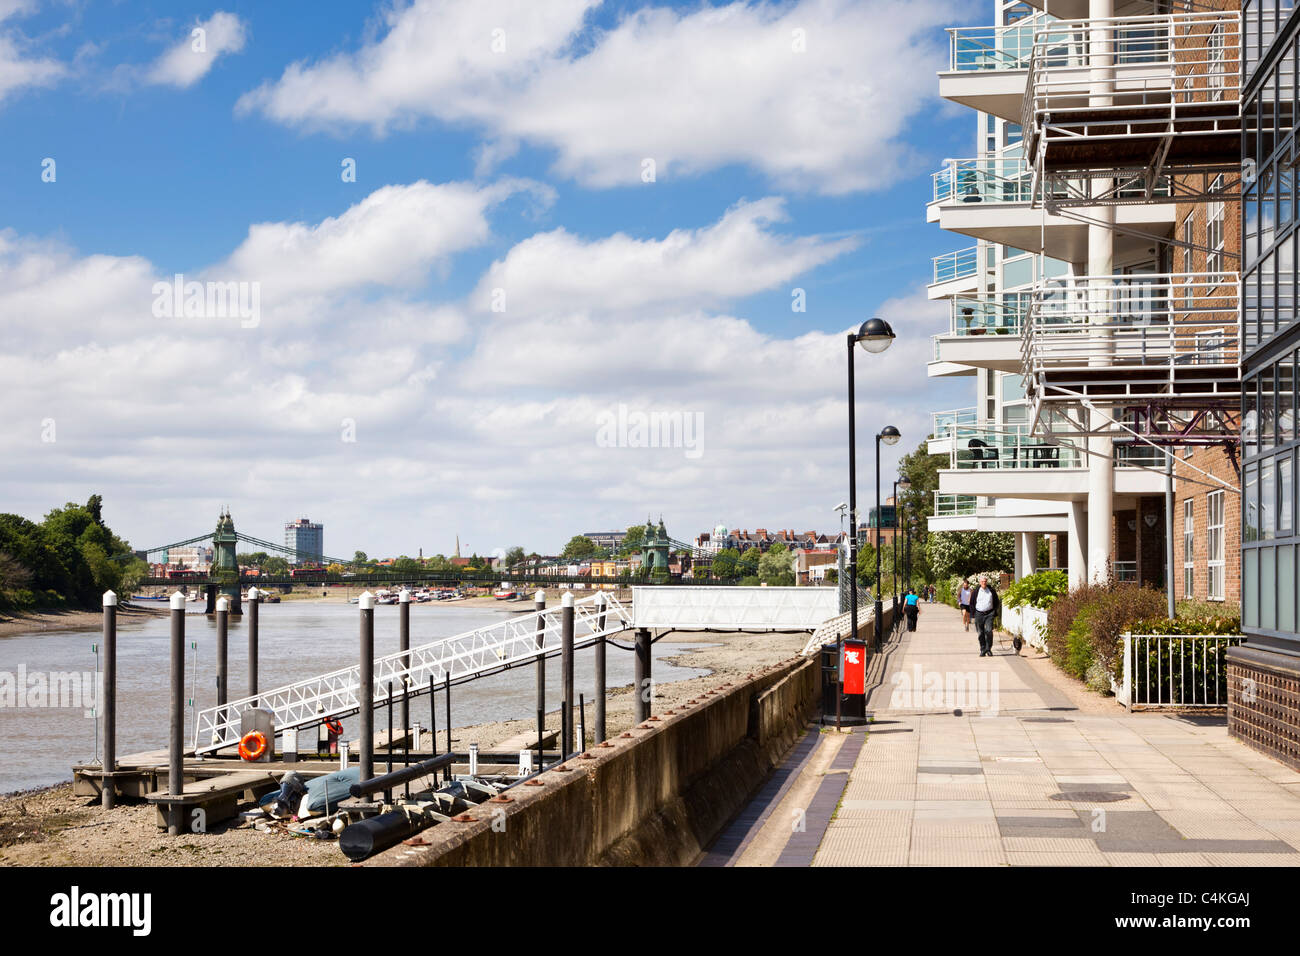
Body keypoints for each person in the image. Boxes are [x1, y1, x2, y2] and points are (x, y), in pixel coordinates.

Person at [972, 574, 1001, 657]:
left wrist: (995, 611)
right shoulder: (976, 591)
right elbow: (972, 602)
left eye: (985, 581)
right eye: (982, 581)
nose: (984, 583)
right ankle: (982, 649)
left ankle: (988, 649)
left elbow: (996, 601)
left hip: (989, 613)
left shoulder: (991, 590)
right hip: (979, 613)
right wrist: (973, 614)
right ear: (980, 582)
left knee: (988, 631)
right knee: (980, 633)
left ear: (986, 582)